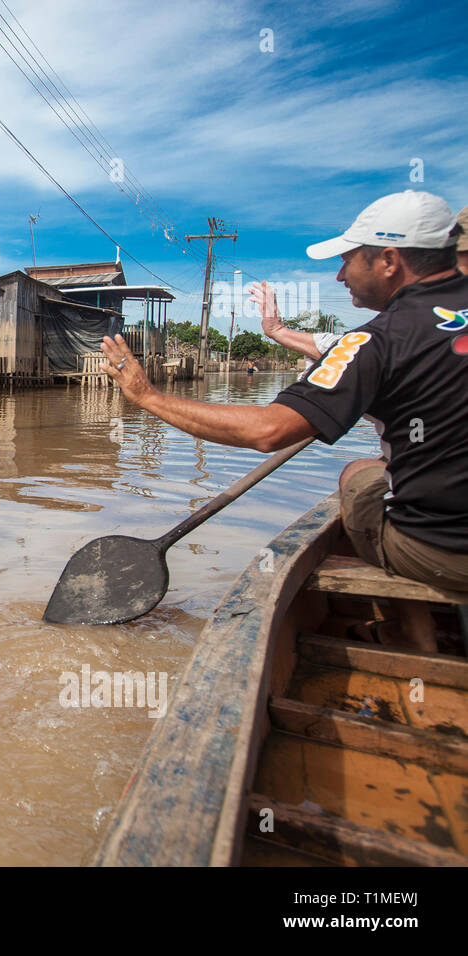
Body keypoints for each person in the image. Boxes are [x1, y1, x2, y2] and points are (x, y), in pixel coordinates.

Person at [100, 190, 468, 651]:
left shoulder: (375, 341)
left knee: (360, 475)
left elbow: (268, 431)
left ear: (389, 260)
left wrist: (145, 395)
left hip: (449, 556)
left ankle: (413, 636)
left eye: (349, 260)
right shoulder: (396, 336)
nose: (339, 274)